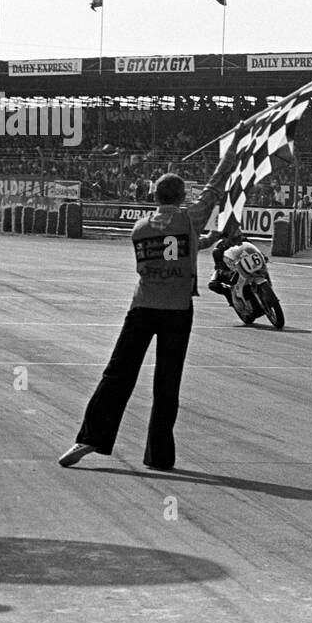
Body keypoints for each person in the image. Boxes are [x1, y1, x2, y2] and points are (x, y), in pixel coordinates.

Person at [59, 145, 238, 472]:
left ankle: (91, 436)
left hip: (141, 308)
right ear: (182, 196)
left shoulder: (139, 229)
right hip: (177, 312)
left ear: (154, 196)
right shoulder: (188, 219)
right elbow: (214, 187)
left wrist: (210, 237)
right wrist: (235, 145)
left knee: (117, 374)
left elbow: (176, 248)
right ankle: (159, 455)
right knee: (167, 383)